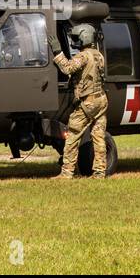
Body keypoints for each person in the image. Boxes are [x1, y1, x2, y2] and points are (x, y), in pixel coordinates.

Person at [48, 24, 109, 179]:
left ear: (84, 37)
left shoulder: (83, 56)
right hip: (101, 100)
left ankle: (67, 172)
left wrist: (57, 51)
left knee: (73, 135)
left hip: (88, 102)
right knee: (98, 136)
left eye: (76, 38)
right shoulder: (98, 55)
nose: (74, 41)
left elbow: (67, 68)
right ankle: (100, 172)